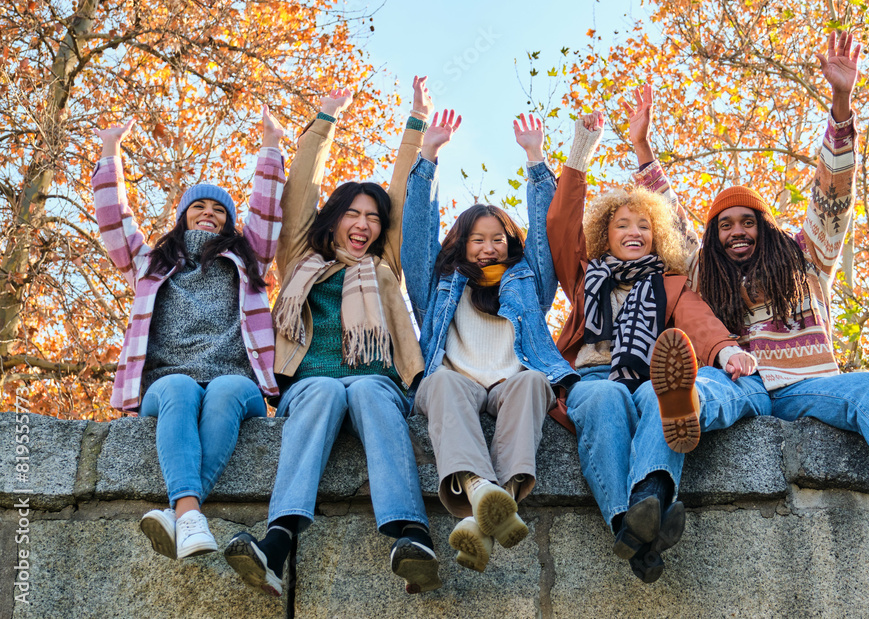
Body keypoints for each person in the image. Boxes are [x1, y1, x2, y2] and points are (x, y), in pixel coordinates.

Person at [642, 31, 869, 571]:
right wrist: (643, 148)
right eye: (724, 226)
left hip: (812, 384)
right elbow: (669, 216)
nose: (736, 232)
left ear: (764, 227)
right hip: (744, 378)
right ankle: (686, 410)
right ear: (714, 236)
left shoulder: (806, 255)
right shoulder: (705, 271)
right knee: (701, 383)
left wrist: (841, 104)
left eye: (747, 222)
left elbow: (832, 191)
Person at [224, 78, 439, 596]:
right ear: (334, 220)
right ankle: (277, 542)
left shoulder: (385, 263)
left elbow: (401, 195)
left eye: (372, 218)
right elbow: (300, 191)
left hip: (377, 380)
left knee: (364, 389)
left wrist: (416, 128)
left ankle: (412, 536)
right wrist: (323, 122)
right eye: (353, 214)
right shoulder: (301, 260)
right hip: (310, 381)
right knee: (322, 390)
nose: (363, 223)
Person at [545, 110, 758, 583]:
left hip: (649, 374)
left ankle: (647, 502)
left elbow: (698, 323)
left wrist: (726, 353)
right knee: (605, 397)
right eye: (623, 225)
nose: (634, 233)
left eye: (644, 226)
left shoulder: (672, 283)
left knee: (659, 396)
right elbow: (559, 226)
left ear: (657, 235)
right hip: (592, 376)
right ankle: (638, 528)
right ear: (606, 234)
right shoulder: (584, 276)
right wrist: (581, 151)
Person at [92, 108, 285, 561]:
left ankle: (182, 513)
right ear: (182, 216)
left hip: (237, 383)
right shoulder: (150, 264)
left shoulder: (248, 259)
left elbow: (267, 210)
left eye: (219, 209)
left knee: (224, 391)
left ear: (229, 222)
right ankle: (190, 514)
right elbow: (114, 221)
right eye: (199, 205)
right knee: (180, 387)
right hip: (168, 382)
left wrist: (271, 146)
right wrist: (109, 152)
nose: (209, 213)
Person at [401, 113, 577, 572]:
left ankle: (482, 521)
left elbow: (544, 238)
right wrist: (428, 158)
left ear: (508, 243)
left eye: (497, 238)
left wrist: (536, 160)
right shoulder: (440, 283)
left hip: (508, 383)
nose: (487, 247)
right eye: (476, 239)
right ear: (460, 245)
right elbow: (417, 240)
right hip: (457, 381)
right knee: (436, 383)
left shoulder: (528, 282)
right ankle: (485, 492)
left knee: (536, 381)